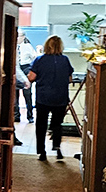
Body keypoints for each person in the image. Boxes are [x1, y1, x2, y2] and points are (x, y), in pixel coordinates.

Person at [27, 35, 74, 163]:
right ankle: (57, 147)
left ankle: (42, 151)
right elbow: (69, 78)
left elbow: (31, 77)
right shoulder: (65, 60)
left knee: (41, 124)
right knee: (57, 124)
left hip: (44, 97)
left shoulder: (39, 60)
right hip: (60, 97)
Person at [17, 34, 36, 122]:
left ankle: (30, 115)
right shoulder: (13, 46)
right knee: (14, 94)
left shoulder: (28, 46)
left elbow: (34, 58)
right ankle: (16, 115)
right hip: (17, 68)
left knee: (27, 94)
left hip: (26, 67)